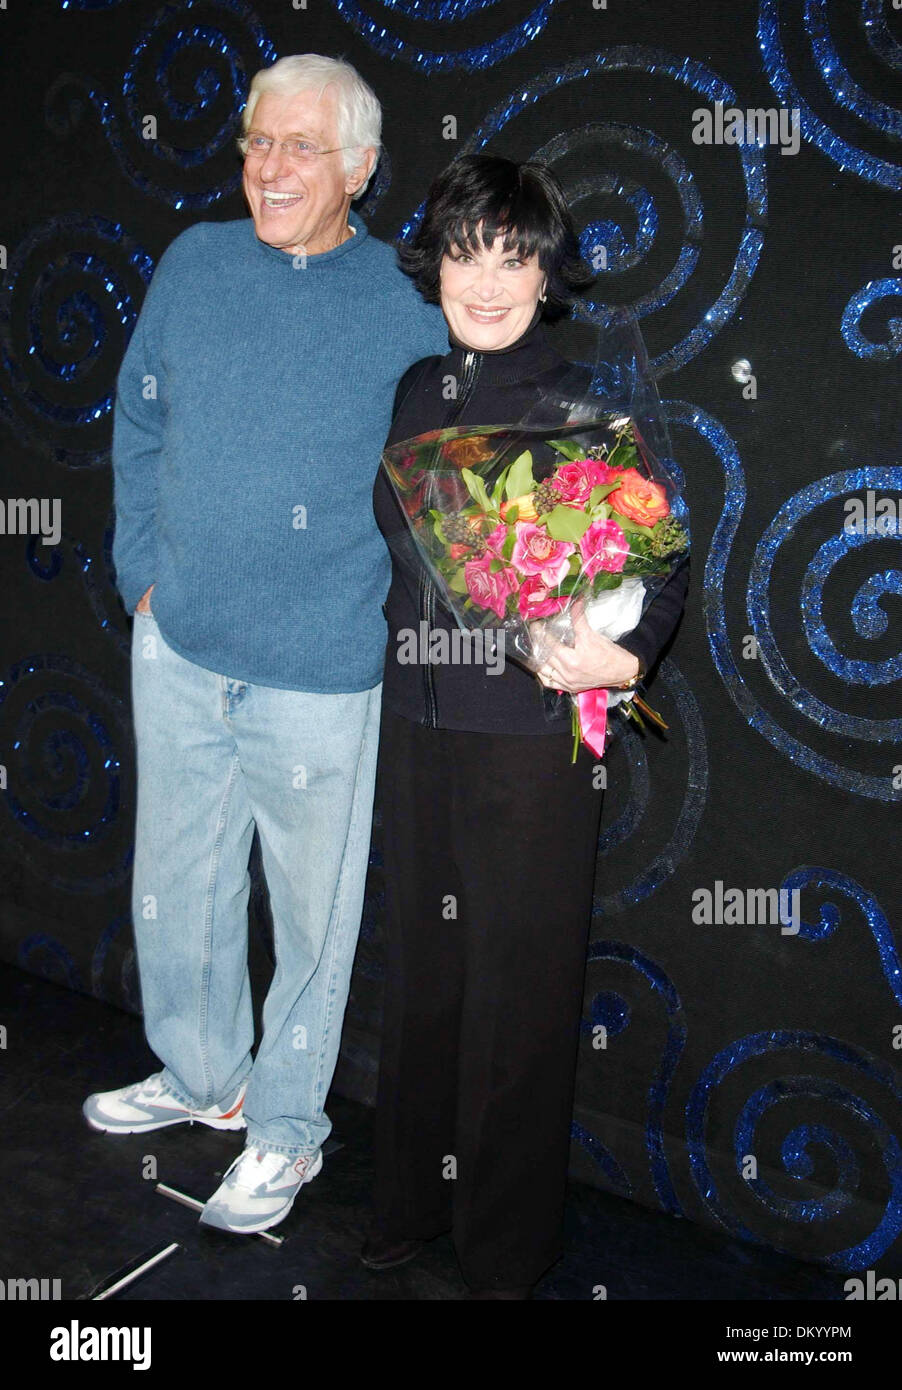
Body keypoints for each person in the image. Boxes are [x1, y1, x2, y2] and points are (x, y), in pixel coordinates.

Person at [82, 54, 447, 1236]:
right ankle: (204, 1082)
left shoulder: (406, 301)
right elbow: (138, 415)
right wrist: (141, 570)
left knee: (310, 923)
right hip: (179, 646)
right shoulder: (193, 262)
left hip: (318, 675)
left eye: (299, 147)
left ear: (358, 167)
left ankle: (286, 1133)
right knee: (174, 894)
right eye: (256, 140)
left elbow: (470, 461)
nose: (269, 166)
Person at [364, 154, 689, 1296]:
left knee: (519, 992)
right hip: (414, 724)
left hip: (529, 749)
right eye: (464, 253)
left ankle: (500, 1247)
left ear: (548, 274)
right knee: (422, 977)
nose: (486, 280)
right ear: (435, 266)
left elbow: (658, 567)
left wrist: (623, 648)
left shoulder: (583, 410)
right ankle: (405, 1199)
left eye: (512, 256)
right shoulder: (411, 392)